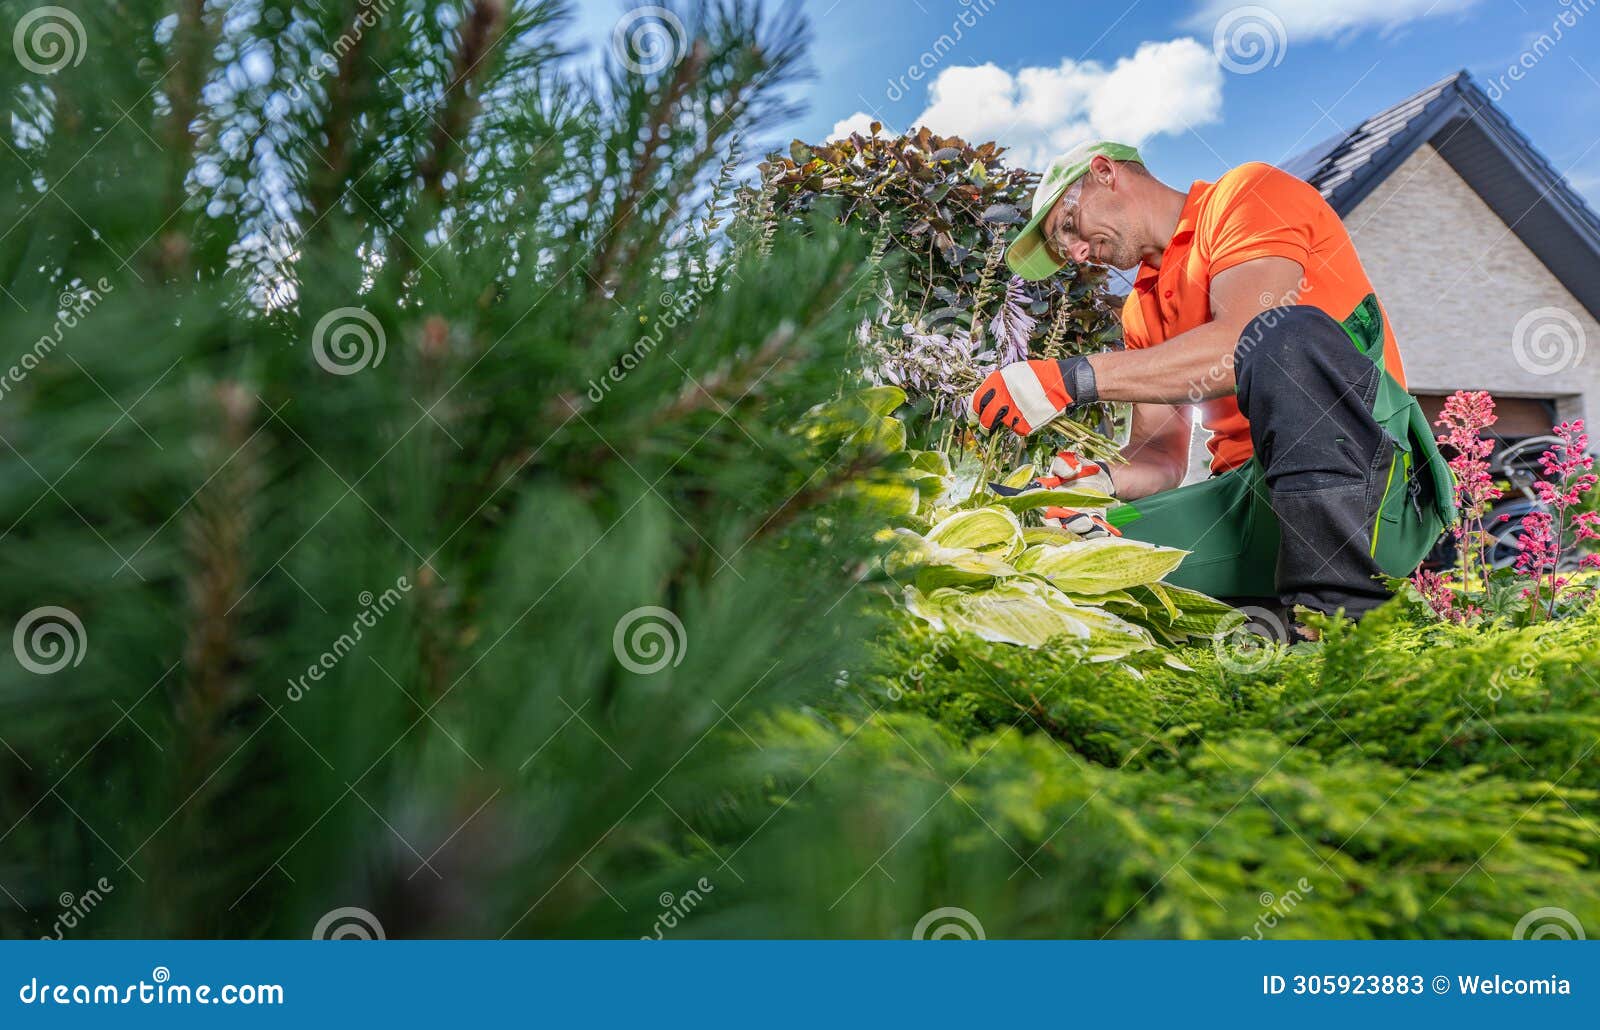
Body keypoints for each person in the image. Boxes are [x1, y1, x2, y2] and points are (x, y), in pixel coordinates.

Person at [969, 140, 1455, 620]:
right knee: (1072, 551)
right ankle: (1266, 613)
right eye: (1062, 249)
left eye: (1069, 227)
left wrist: (1071, 378)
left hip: (1369, 482)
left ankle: (1338, 618)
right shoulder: (1142, 309)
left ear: (1103, 172)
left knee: (1283, 333)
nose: (1076, 252)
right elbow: (1160, 456)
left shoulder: (1246, 195)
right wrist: (1104, 478)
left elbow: (1241, 342)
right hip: (1249, 503)